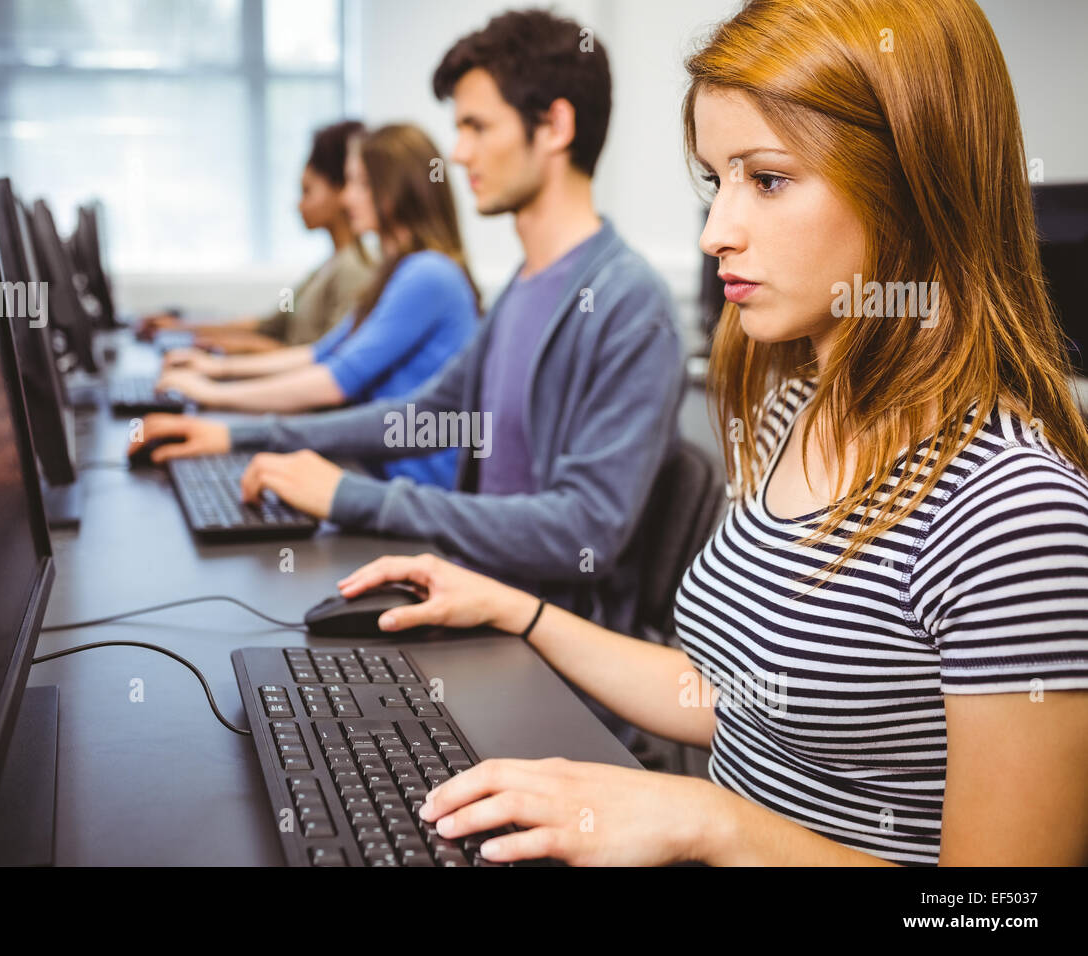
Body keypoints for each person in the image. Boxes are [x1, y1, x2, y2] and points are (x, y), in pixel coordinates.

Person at [328, 0, 1088, 866]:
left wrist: (713, 823)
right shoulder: (791, 411)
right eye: (714, 181)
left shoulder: (1017, 515)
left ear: (910, 185)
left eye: (766, 179)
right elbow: (732, 693)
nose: (716, 233)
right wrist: (520, 610)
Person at [132, 9, 683, 644]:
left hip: (544, 650)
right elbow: (422, 416)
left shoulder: (629, 305)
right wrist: (240, 436)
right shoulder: (526, 288)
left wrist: (354, 496)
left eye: (477, 126)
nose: (458, 152)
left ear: (555, 125)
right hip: (467, 594)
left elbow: (585, 531)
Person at [145, 123, 481, 491]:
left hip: (413, 486)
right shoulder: (397, 271)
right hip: (377, 468)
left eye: (359, 184)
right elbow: (318, 355)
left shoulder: (429, 275)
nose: (347, 198)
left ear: (393, 192)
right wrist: (215, 371)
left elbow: (334, 382)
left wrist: (217, 401)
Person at [136, 120, 374, 354]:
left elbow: (328, 359)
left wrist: (245, 347)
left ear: (340, 190)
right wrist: (181, 328)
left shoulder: (353, 269)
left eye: (307, 191)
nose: (298, 205)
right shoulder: (320, 270)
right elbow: (269, 323)